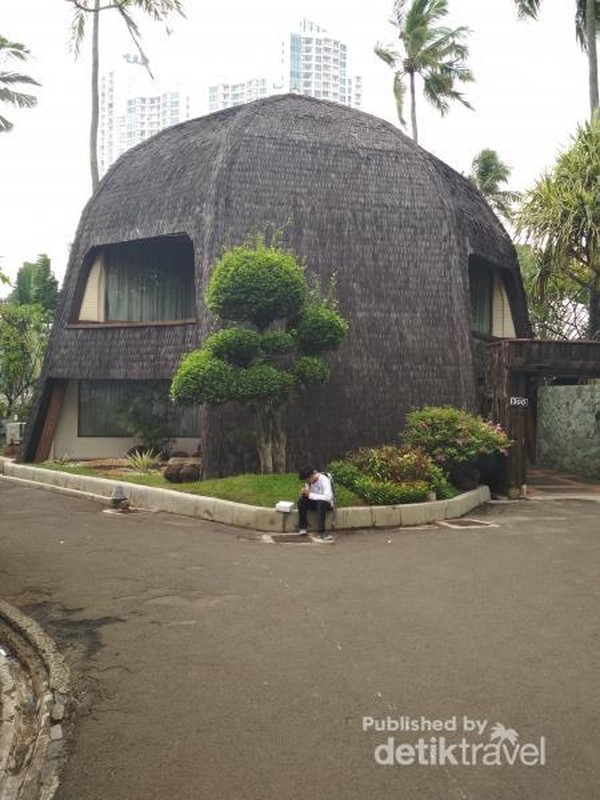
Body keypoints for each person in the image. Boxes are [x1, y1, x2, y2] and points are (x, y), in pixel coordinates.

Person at [297, 467, 335, 542]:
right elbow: (310, 495)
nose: (306, 481)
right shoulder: (308, 482)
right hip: (315, 502)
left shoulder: (324, 480)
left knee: (321, 503)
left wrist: (310, 495)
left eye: (307, 479)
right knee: (301, 501)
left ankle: (321, 532)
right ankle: (303, 527)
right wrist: (305, 494)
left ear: (312, 476)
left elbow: (327, 497)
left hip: (326, 503)